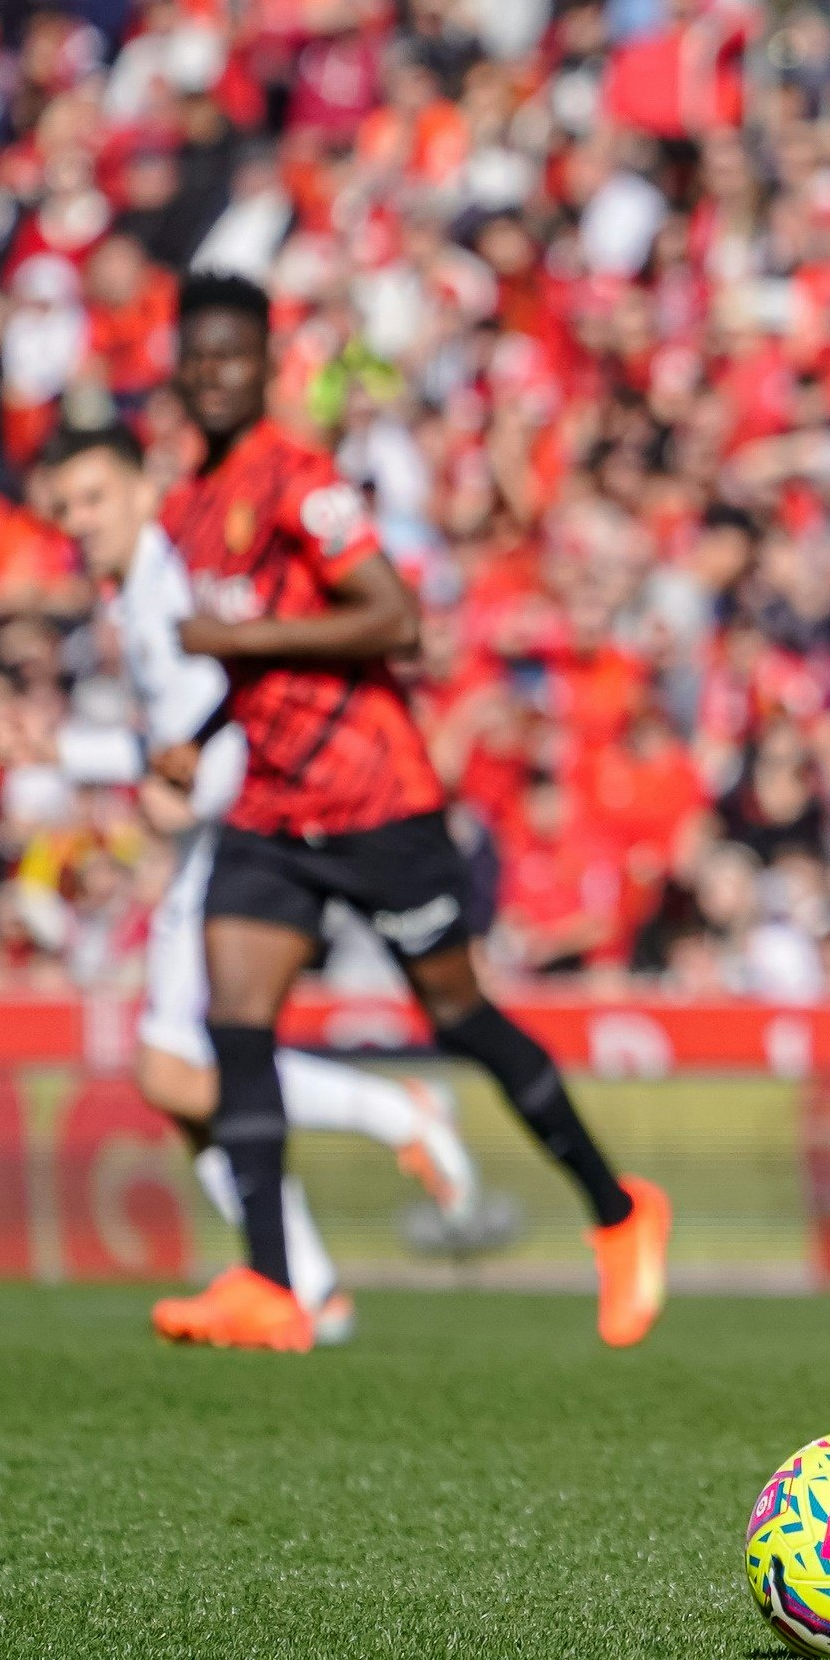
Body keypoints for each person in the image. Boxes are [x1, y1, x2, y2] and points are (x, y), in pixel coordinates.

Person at [144, 272, 668, 1353]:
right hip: (275, 810)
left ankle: (618, 1214)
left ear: (266, 363)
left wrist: (236, 647)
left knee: (458, 1018)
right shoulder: (185, 505)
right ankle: (271, 1284)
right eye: (196, 358)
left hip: (379, 799)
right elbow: (254, 661)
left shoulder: (302, 480)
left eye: (232, 356)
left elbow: (391, 616)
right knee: (235, 1025)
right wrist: (199, 737)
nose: (212, 375)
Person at [36, 422, 501, 1344]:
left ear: (140, 491)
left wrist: (184, 793)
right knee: (181, 1085)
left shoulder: (172, 585)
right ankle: (307, 1288)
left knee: (180, 1068)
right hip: (221, 827)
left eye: (92, 499)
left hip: (250, 831)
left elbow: (240, 718)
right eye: (63, 508)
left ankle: (386, 1113)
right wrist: (65, 750)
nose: (76, 521)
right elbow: (170, 742)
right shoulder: (129, 593)